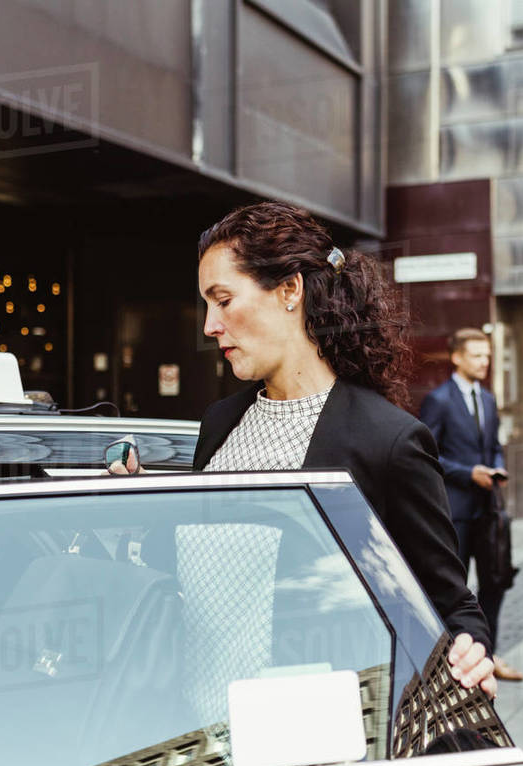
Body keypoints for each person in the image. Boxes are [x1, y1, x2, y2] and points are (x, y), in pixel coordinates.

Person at [190, 201, 497, 698]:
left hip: (303, 726)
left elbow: (450, 603)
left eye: (223, 300)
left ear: (289, 290)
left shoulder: (387, 441)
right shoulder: (219, 424)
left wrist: (470, 648)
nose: (210, 324)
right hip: (189, 726)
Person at [420, 328, 523, 682]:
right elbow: (428, 454)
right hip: (456, 511)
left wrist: (495, 466)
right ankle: (450, 660)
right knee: (456, 588)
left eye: (487, 355)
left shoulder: (489, 400)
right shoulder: (439, 400)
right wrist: (470, 473)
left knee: (494, 582)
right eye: (477, 355)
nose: (484, 362)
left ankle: (487, 654)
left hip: (489, 510)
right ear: (457, 357)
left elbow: (493, 444)